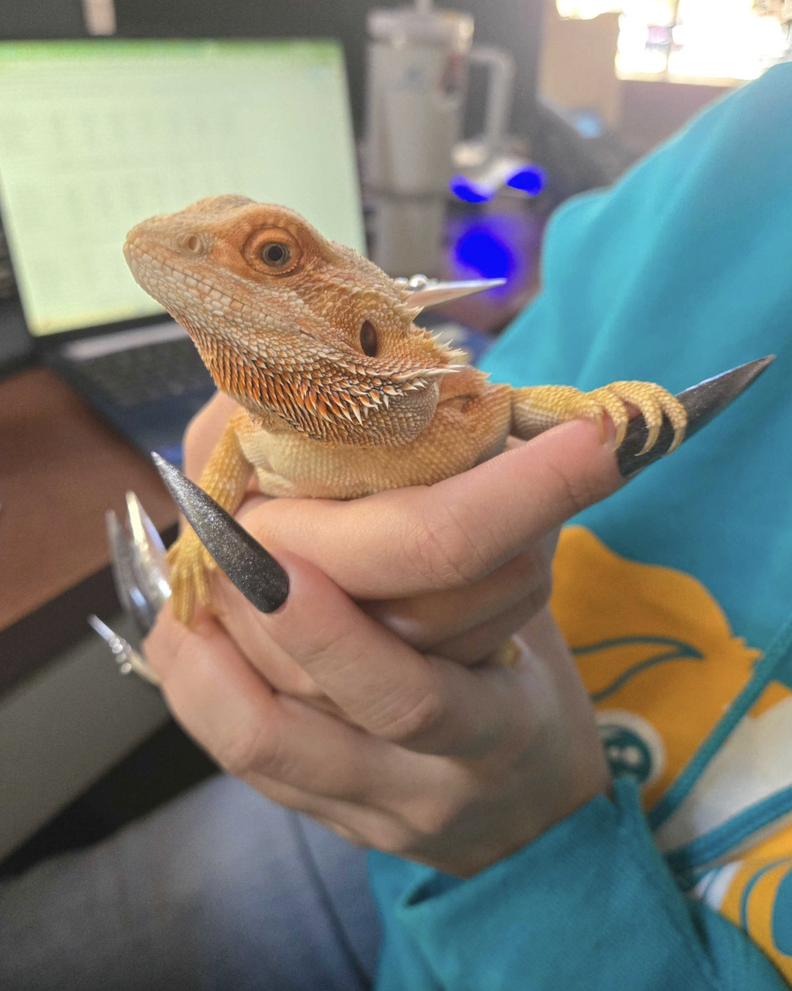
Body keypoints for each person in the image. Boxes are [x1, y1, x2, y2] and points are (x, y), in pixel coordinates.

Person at [3, 40, 792, 991]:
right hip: (363, 796)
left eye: (272, 256)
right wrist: (201, 547)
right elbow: (270, 444)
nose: (194, 258)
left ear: (367, 326)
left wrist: (526, 844)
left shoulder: (434, 408)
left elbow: (496, 407)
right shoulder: (751, 137)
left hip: (552, 900)